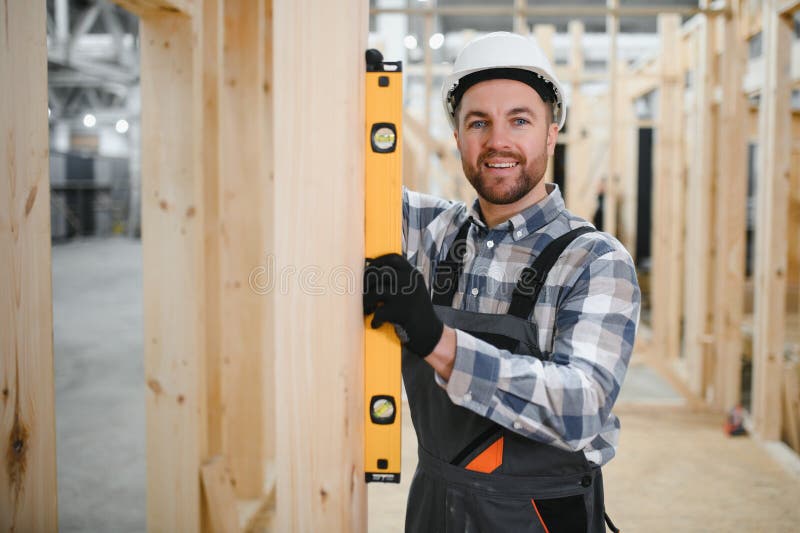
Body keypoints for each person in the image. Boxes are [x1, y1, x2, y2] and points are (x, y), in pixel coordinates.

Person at [363, 32, 640, 533]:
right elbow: (343, 185)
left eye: (519, 120)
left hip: (538, 515)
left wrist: (437, 341)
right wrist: (345, 103)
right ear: (458, 138)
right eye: (478, 123)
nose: (497, 142)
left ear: (551, 133)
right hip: (434, 506)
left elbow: (579, 407)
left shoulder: (594, 260)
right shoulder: (431, 232)